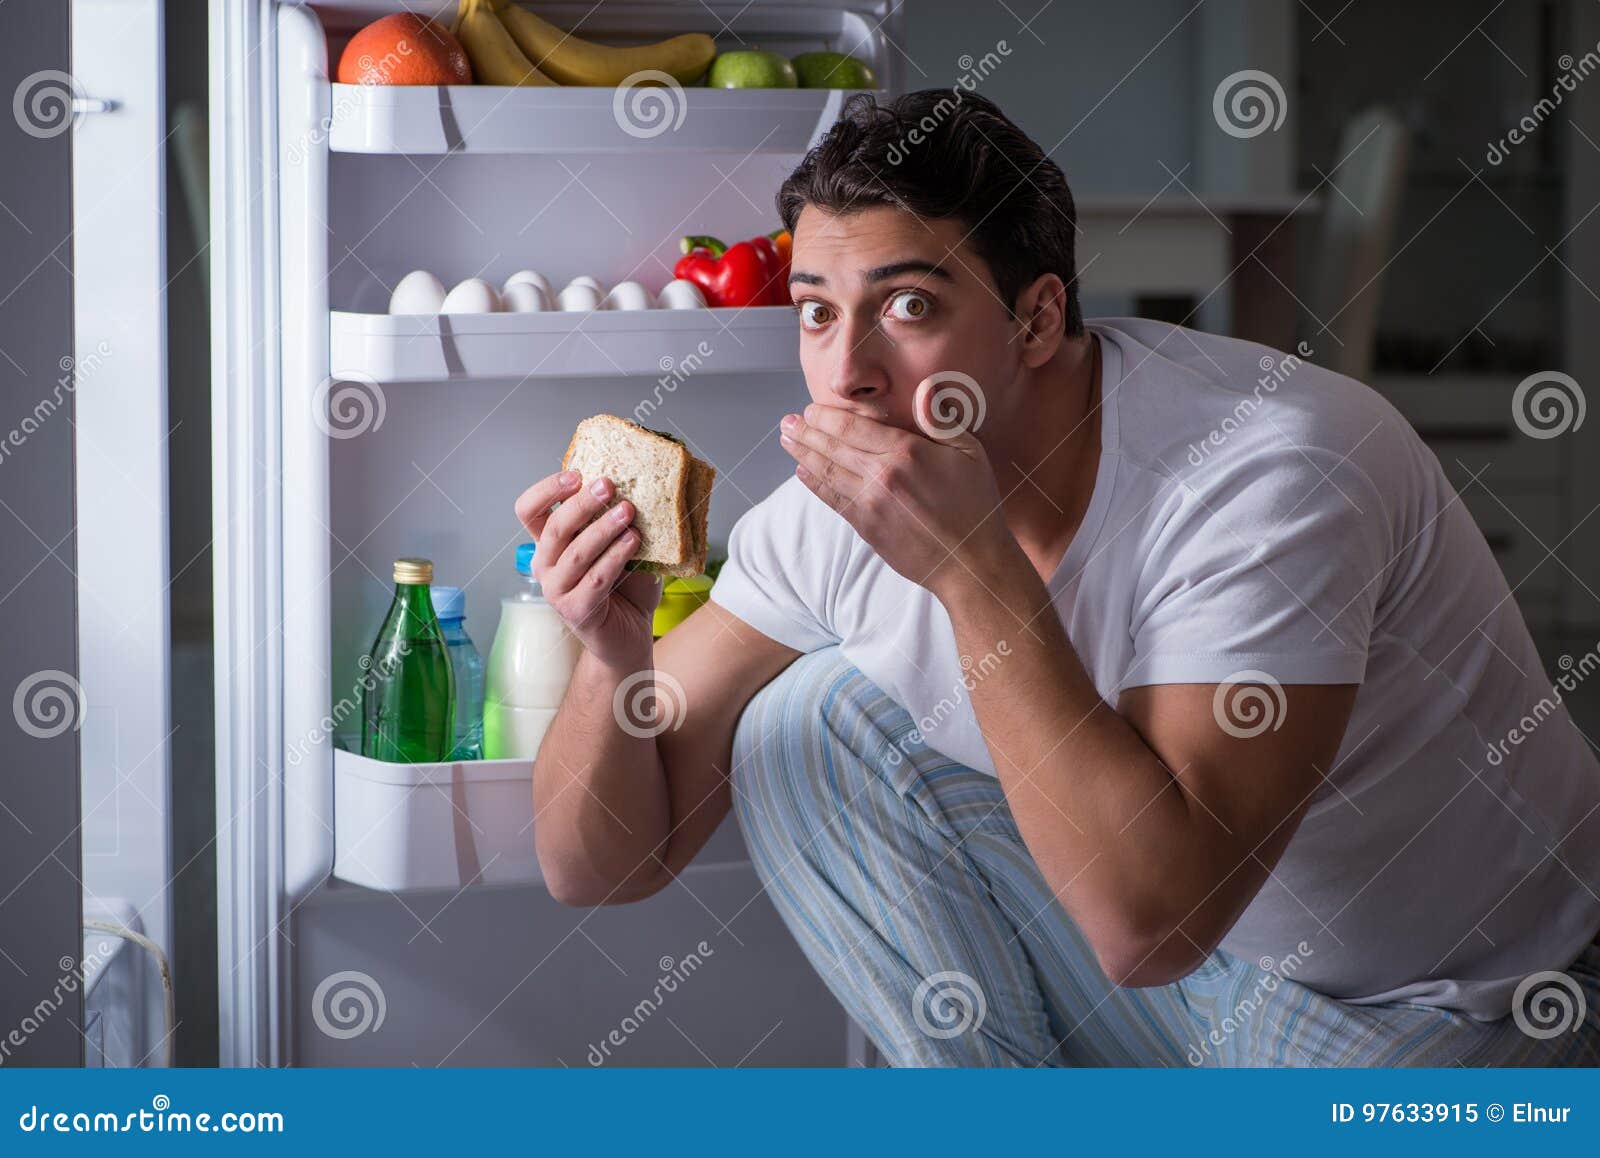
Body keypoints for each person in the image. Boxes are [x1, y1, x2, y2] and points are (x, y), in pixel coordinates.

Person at [514, 89, 1600, 1067]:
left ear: (1034, 320)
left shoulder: (1268, 478)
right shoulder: (839, 507)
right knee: (806, 721)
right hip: (1187, 987)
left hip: (1428, 1008)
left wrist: (970, 568)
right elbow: (596, 869)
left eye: (907, 306)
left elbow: (1155, 931)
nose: (846, 373)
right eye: (815, 310)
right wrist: (613, 650)